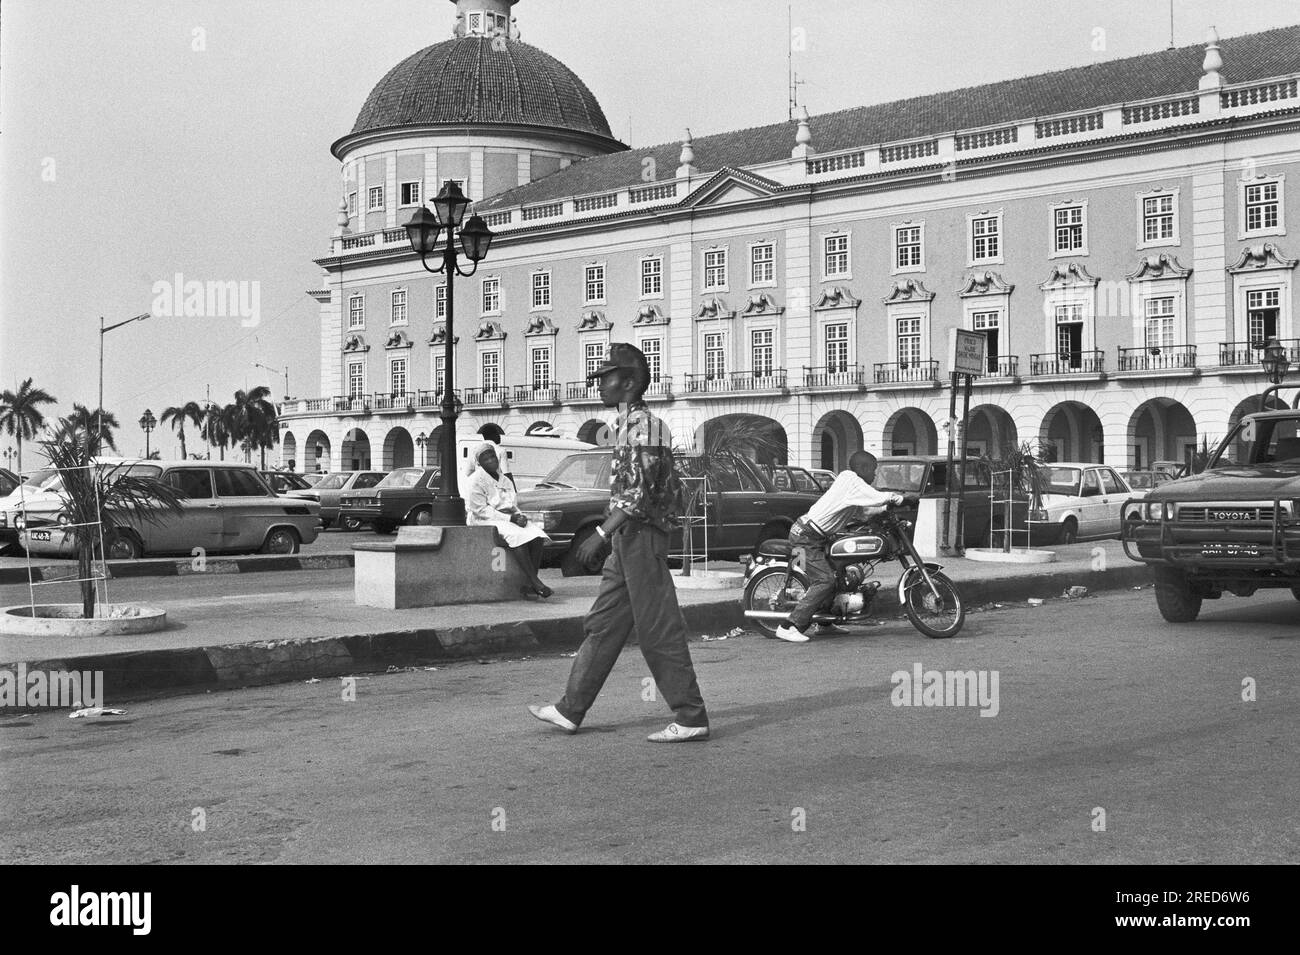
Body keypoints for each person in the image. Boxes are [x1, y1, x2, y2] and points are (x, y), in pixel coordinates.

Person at [528, 342, 710, 743]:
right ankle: (570, 709)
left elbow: (640, 493)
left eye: (606, 378)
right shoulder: (629, 425)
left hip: (640, 536)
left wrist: (599, 533)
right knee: (604, 625)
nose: (599, 385)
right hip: (629, 537)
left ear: (629, 382)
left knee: (657, 628)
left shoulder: (646, 427)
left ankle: (691, 714)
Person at [774, 450, 903, 644]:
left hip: (815, 536)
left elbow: (865, 510)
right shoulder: (851, 480)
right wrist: (896, 497)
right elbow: (875, 496)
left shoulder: (850, 488)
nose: (875, 475)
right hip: (805, 538)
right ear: (863, 467)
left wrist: (885, 510)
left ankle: (824, 624)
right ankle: (789, 626)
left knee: (839, 574)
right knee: (825, 581)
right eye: (873, 470)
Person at [464, 441, 552, 599]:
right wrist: (510, 518)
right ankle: (535, 582)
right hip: (484, 519)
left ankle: (531, 583)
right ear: (479, 463)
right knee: (517, 536)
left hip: (507, 518)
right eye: (486, 458)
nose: (491, 460)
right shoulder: (475, 480)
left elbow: (512, 503)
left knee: (537, 535)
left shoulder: (505, 480)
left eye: (492, 456)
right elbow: (480, 510)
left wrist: (519, 516)